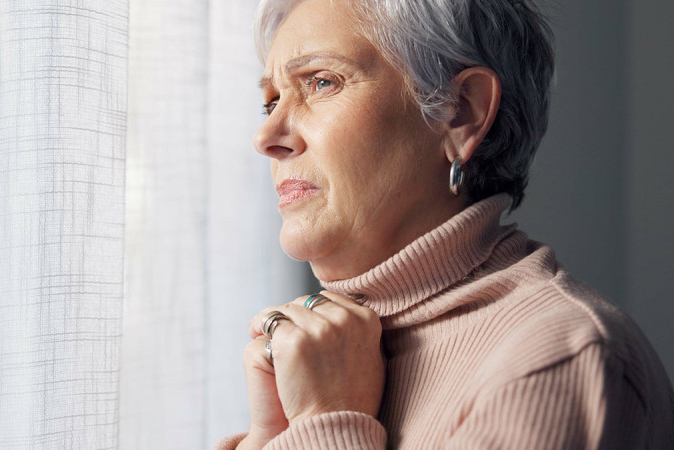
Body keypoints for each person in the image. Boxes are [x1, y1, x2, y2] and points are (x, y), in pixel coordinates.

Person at [215, 0, 674, 448]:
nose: (266, 137)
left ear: (461, 112)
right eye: (270, 102)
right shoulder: (318, 357)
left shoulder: (557, 361)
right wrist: (270, 439)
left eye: (320, 82)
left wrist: (326, 425)